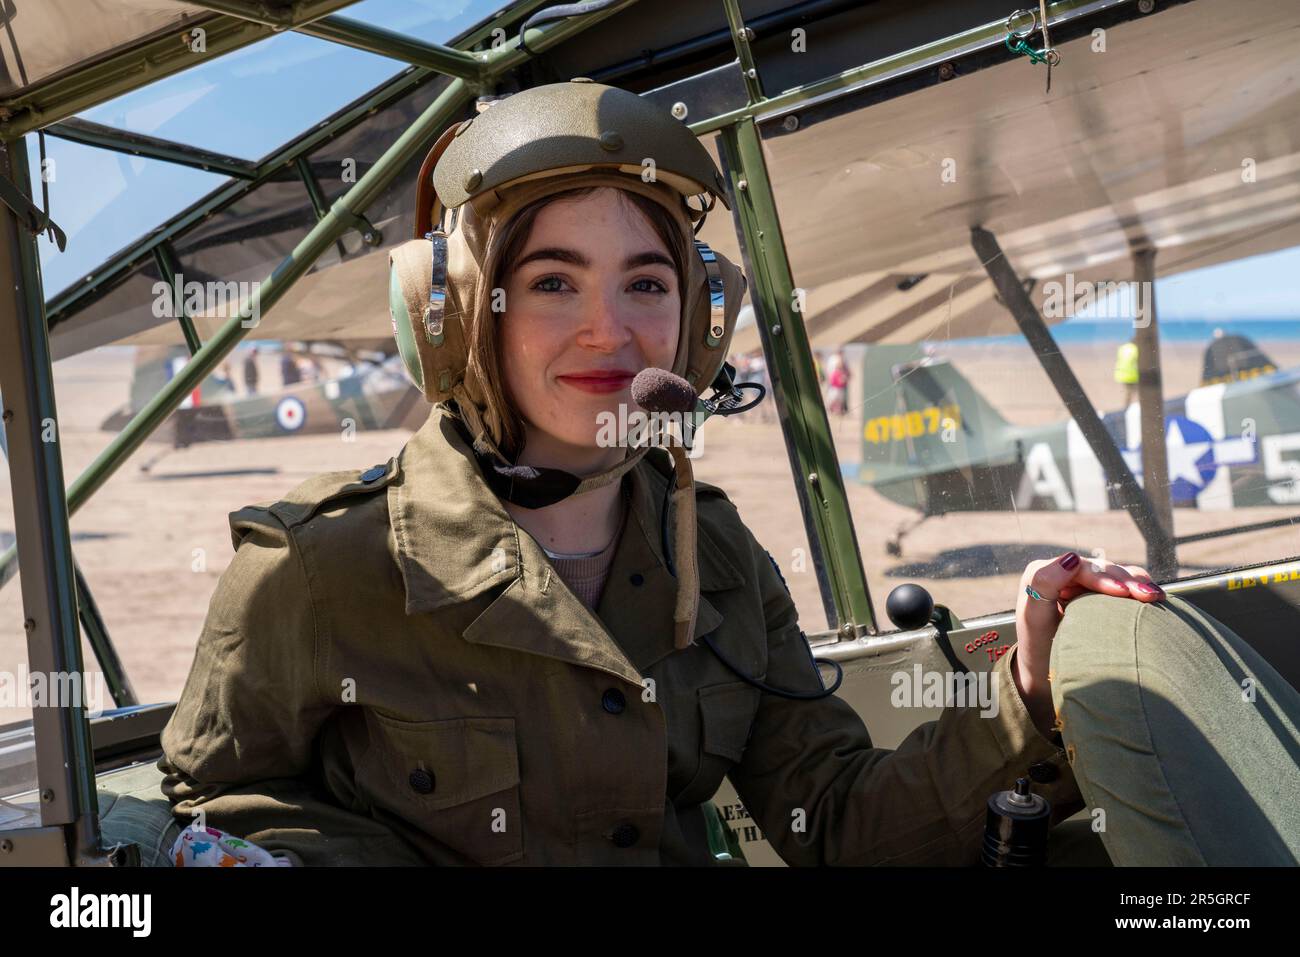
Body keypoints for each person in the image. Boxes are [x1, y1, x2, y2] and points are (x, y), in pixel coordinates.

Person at [156, 81, 1297, 867]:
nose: (611, 330)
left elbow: (834, 824)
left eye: (647, 284)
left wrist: (1028, 697)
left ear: (697, 325)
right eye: (551, 282)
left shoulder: (720, 565)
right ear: (456, 318)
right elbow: (220, 804)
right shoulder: (319, 568)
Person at [1114, 337, 1138, 407]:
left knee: (1129, 393)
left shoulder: (1123, 347)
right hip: (1132, 375)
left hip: (1121, 373)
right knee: (1135, 392)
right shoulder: (1136, 349)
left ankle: (1126, 407)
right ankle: (1127, 408)